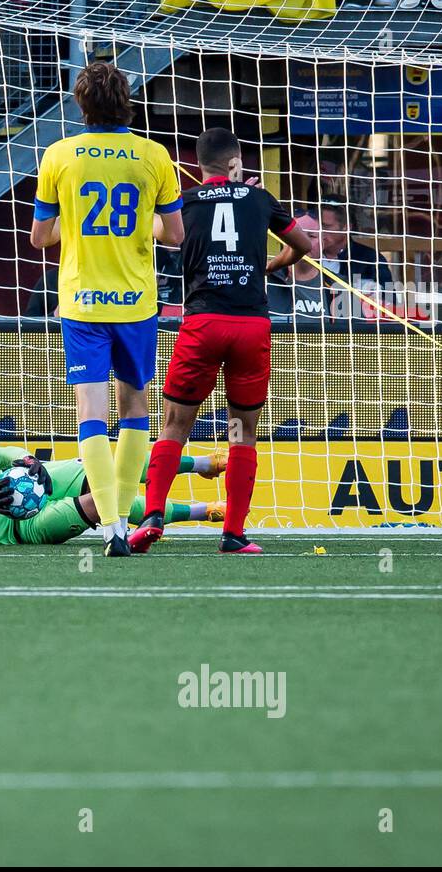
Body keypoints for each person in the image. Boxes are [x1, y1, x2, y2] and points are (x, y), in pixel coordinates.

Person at [29, 60, 184, 557]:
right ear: (128, 101)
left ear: (80, 105)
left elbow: (39, 238)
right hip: (137, 301)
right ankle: (123, 509)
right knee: (135, 408)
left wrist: (71, 227)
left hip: (82, 299)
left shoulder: (59, 155)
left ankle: (111, 524)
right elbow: (176, 235)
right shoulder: (153, 155)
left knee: (90, 412)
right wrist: (146, 225)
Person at [133, 128, 311, 555]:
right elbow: (303, 244)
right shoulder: (260, 200)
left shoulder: (186, 204)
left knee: (175, 423)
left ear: (200, 164)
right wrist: (271, 265)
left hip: (203, 324)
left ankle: (153, 515)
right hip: (250, 327)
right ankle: (233, 533)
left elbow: (158, 231)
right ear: (235, 163)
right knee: (241, 431)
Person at [0, 421, 224, 545]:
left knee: (107, 466)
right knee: (101, 500)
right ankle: (202, 511)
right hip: (14, 530)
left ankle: (203, 463)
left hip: (27, 484)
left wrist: (27, 461)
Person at [316, 195, 393, 319]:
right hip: (313, 327)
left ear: (346, 227)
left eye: (326, 226)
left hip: (357, 330)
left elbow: (390, 303)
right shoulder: (305, 255)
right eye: (317, 225)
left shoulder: (370, 260)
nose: (319, 231)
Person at [265, 213, 325, 326]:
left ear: (323, 242)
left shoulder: (338, 286)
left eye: (312, 236)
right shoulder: (264, 281)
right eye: (298, 235)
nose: (304, 241)